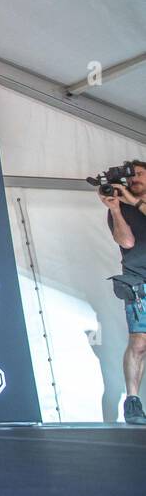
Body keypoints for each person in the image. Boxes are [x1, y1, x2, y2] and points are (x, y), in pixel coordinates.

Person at [101, 160, 146, 425]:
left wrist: (131, 198)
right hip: (138, 280)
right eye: (131, 177)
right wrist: (117, 209)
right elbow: (126, 241)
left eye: (140, 174)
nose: (134, 179)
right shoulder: (123, 207)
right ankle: (132, 401)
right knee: (139, 342)